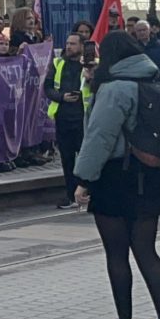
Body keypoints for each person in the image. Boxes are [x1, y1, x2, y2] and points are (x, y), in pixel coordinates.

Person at [72, 31, 160, 319]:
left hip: (115, 177)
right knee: (147, 250)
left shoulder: (115, 88)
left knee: (117, 253)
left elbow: (100, 137)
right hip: (149, 174)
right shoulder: (149, 79)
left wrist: (84, 180)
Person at [46, 32, 93, 209]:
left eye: (73, 44)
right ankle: (71, 194)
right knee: (67, 158)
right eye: (67, 43)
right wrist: (61, 97)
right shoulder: (58, 63)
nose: (69, 46)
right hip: (64, 117)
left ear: (82, 46)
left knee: (85, 156)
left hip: (84, 117)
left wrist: (90, 78)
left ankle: (87, 192)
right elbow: (48, 87)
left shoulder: (90, 65)